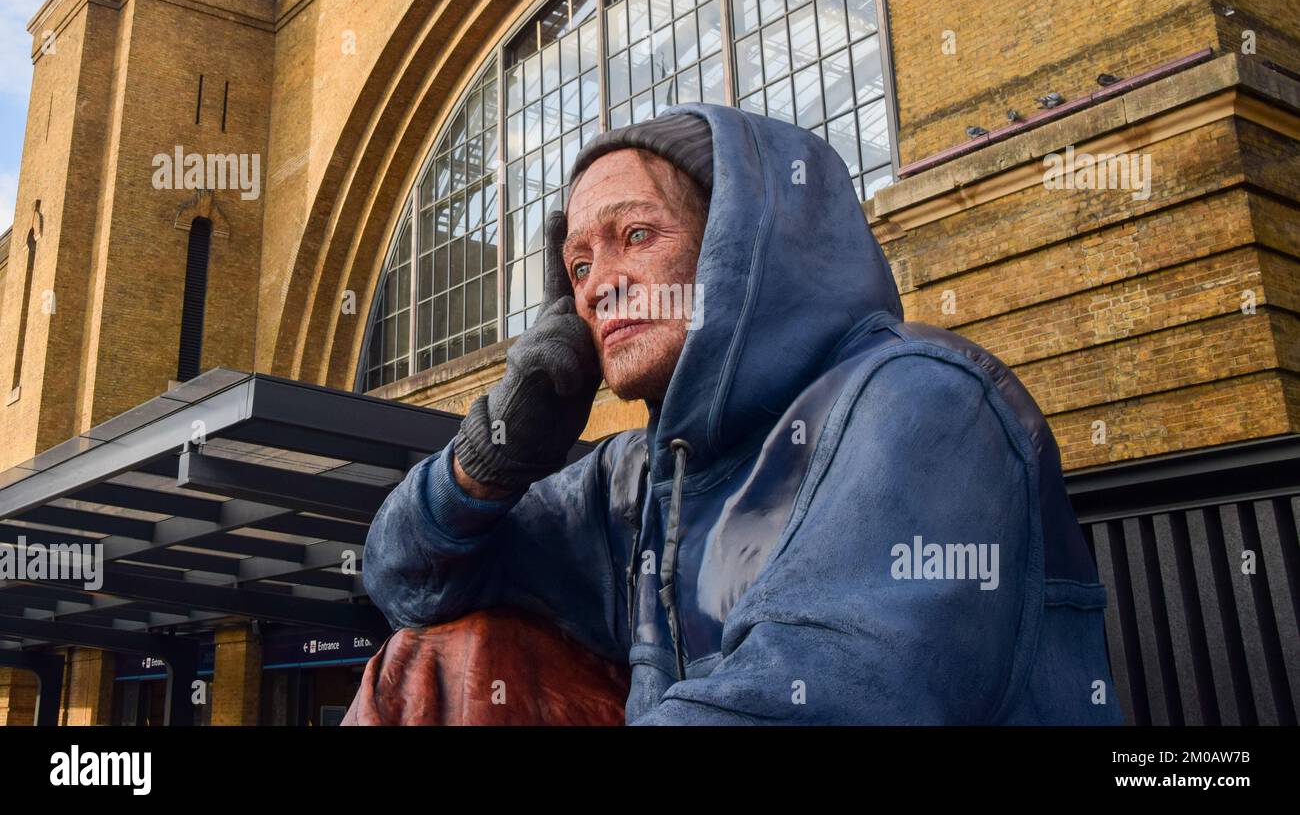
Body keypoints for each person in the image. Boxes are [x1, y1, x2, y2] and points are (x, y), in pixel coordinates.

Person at [362, 102, 1124, 725]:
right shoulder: (638, 479)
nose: (600, 286)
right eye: (580, 266)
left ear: (735, 246)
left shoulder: (922, 401)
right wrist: (494, 454)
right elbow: (402, 579)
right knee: (439, 655)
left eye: (636, 236)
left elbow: (807, 703)